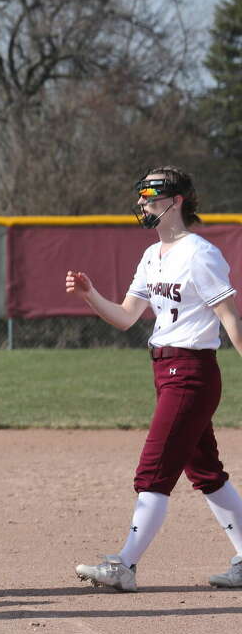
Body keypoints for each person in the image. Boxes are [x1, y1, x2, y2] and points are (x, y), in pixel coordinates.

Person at [67, 166, 242, 592]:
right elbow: (126, 317)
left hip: (192, 373)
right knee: (206, 471)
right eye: (142, 197)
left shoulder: (199, 253)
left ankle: (125, 566)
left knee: (154, 470)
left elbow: (229, 318)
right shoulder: (152, 255)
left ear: (176, 201)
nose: (142, 204)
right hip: (165, 371)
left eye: (151, 197)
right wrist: (90, 295)